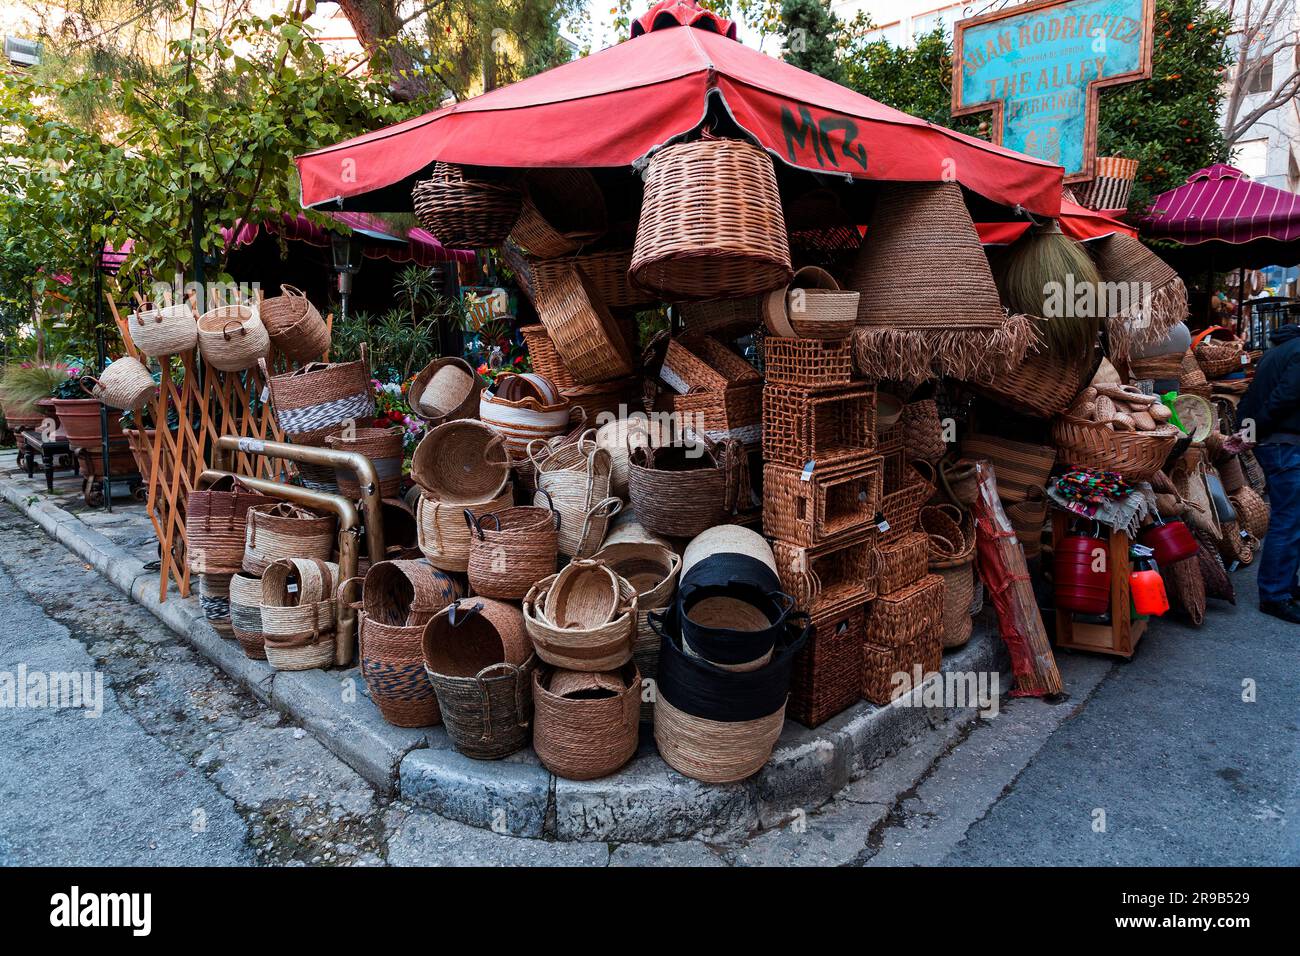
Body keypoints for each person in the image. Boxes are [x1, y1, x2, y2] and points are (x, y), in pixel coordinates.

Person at [1238, 323, 1300, 622]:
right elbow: (1285, 397)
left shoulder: (1279, 351)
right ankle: (1275, 594)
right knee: (1288, 521)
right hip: (1285, 444)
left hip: (1278, 443)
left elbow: (1253, 396)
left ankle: (1285, 585)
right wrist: (1253, 430)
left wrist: (1248, 429)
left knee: (1291, 519)